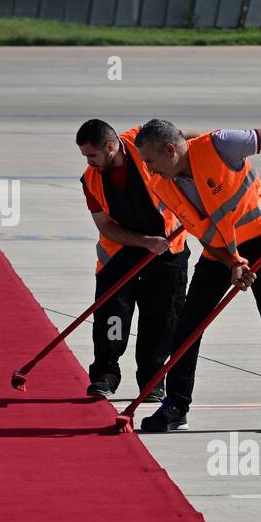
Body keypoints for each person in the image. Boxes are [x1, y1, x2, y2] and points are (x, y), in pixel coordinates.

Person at [131, 119, 261, 434]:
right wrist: (233, 263)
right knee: (189, 326)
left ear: (170, 150)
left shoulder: (221, 144)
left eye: (150, 160)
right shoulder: (163, 185)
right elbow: (203, 231)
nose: (148, 168)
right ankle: (176, 405)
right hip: (221, 251)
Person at [76, 119, 190, 404]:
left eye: (92, 155)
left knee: (160, 317)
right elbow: (106, 226)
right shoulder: (90, 180)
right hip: (120, 250)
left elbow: (184, 140)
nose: (89, 162)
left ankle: (152, 380)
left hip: (166, 248)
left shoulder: (144, 142)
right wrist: (143, 242)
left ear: (111, 146)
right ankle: (105, 374)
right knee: (112, 315)